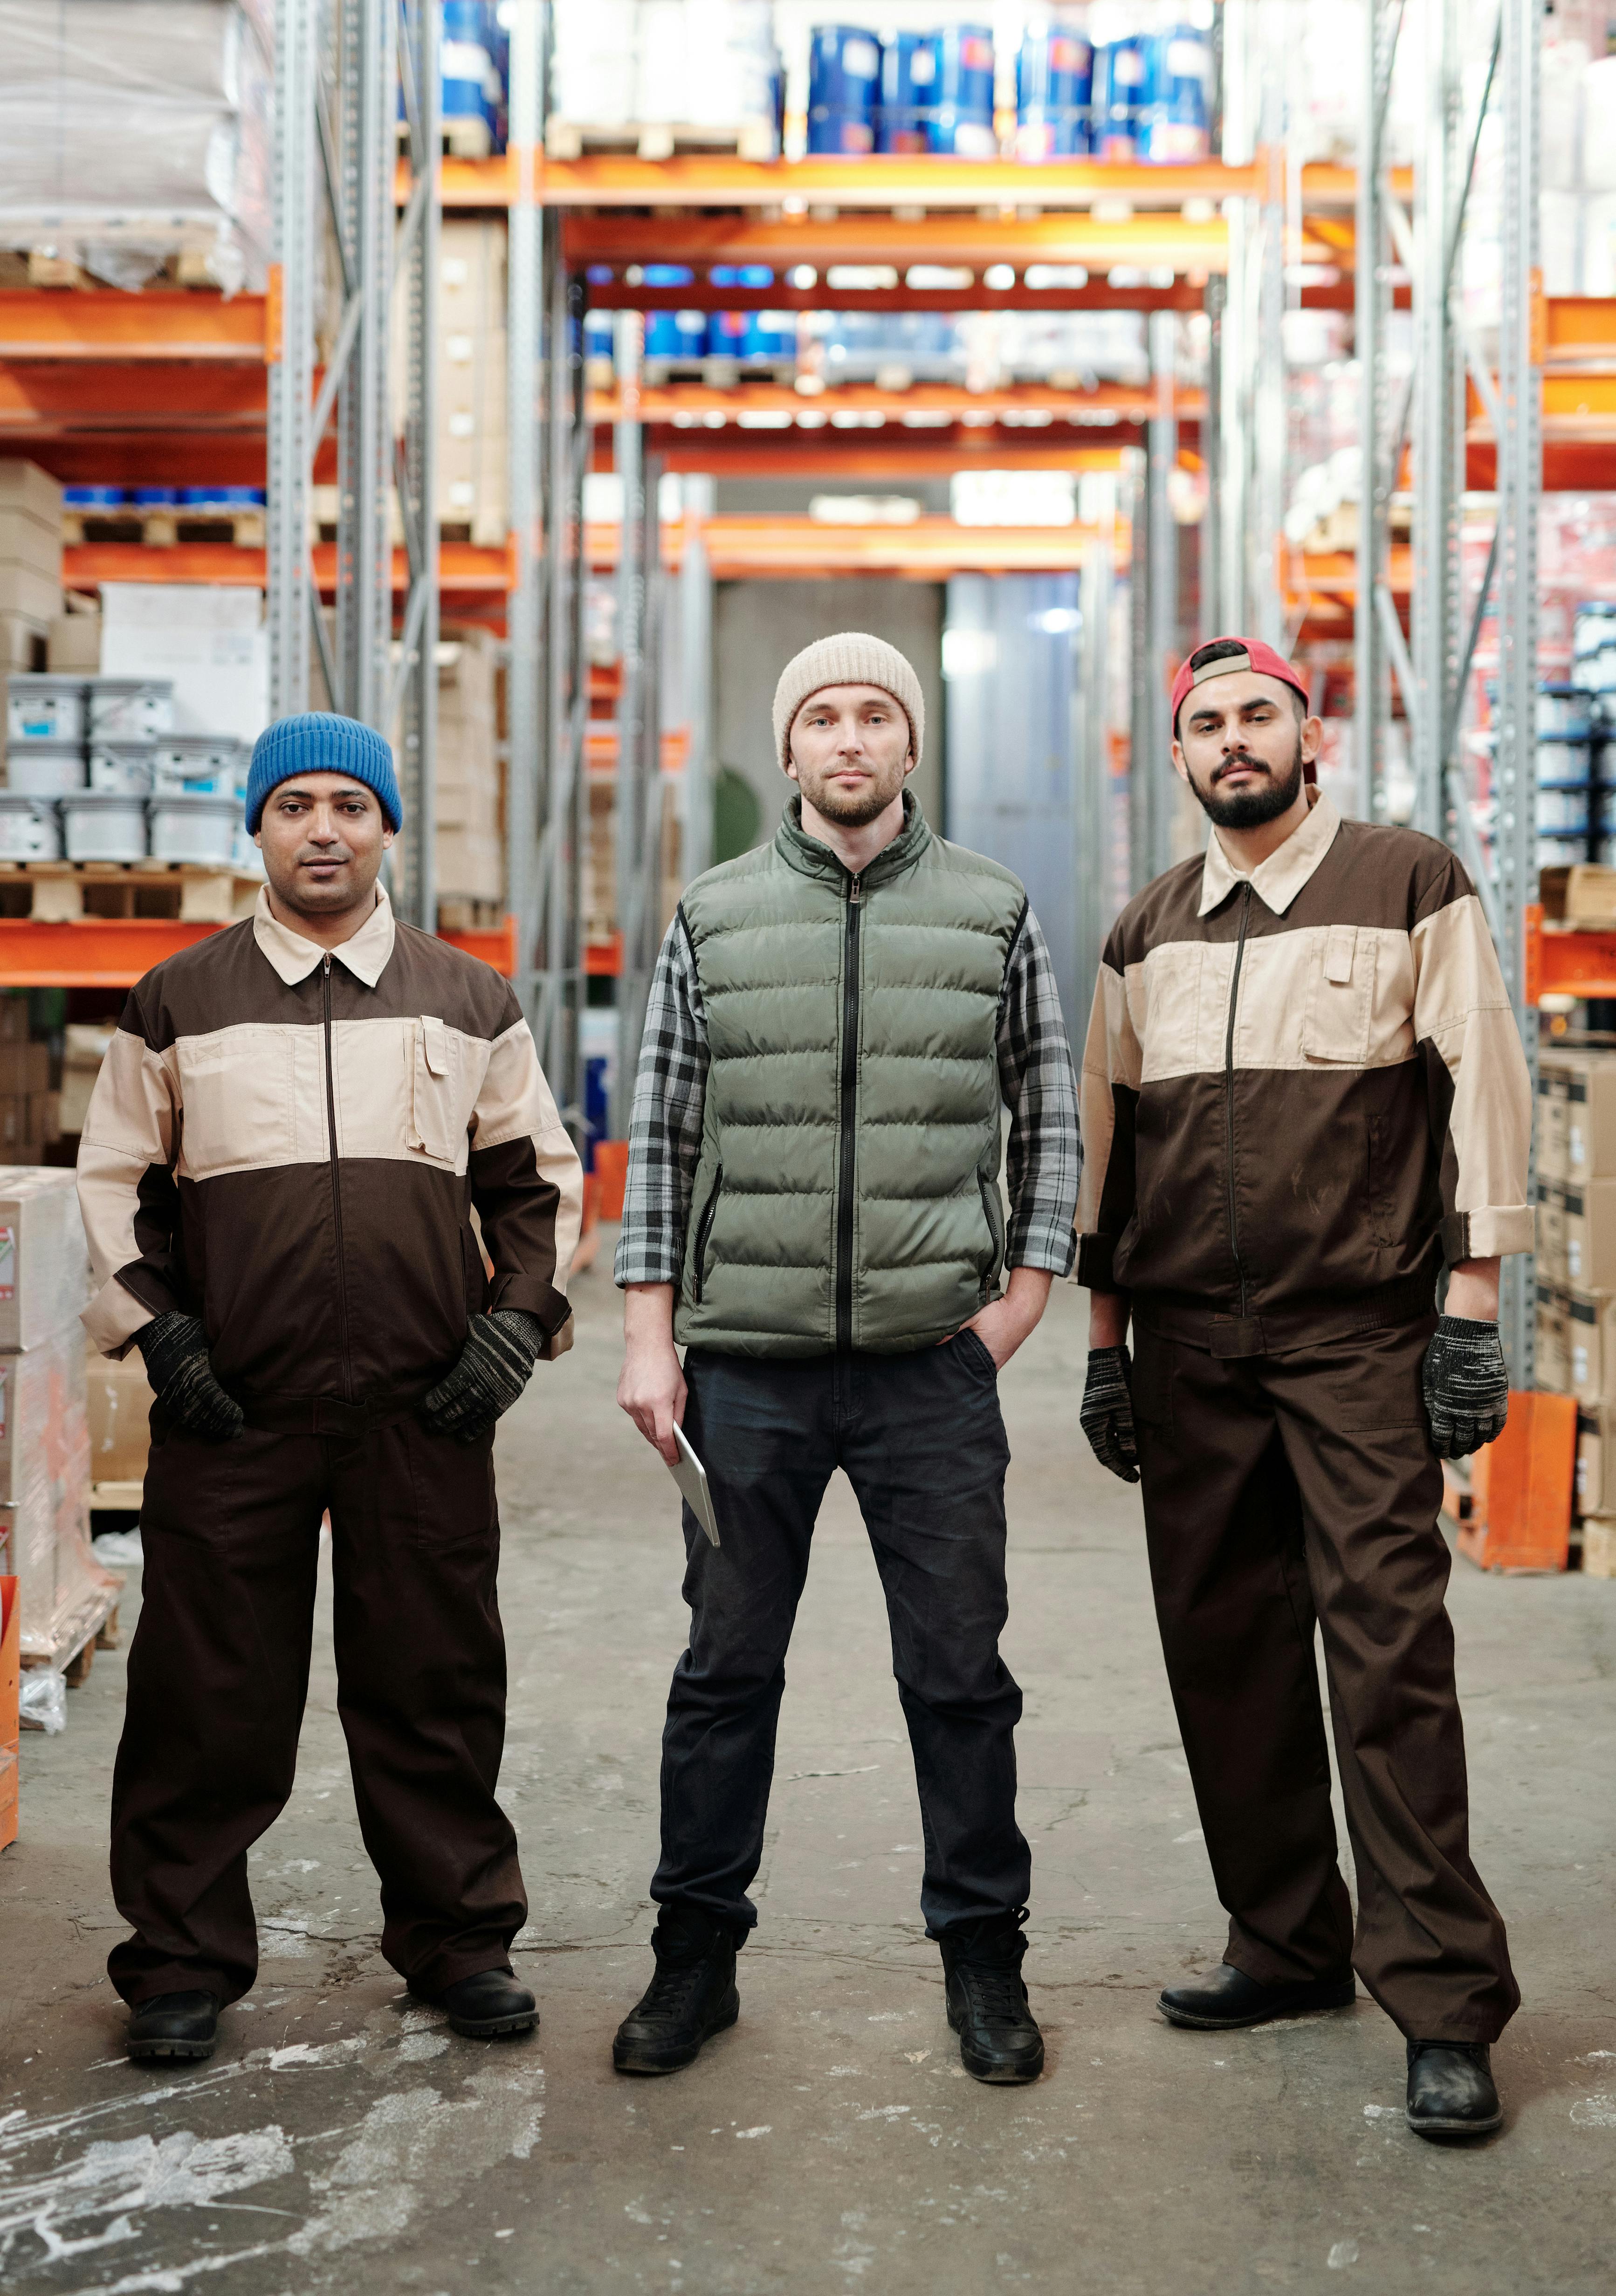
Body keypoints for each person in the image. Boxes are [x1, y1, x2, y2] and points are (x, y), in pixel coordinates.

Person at [1076, 635, 1530, 2143]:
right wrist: (1101, 1347)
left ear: (1308, 729)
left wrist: (1470, 1309)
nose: (1231, 741)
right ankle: (1283, 1947)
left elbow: (1482, 1080)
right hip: (1190, 1346)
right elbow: (1106, 1146)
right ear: (1183, 755)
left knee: (1387, 1658)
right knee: (1224, 1650)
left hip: (1359, 1339)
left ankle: (1445, 2003)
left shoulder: (1409, 880)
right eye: (1203, 724)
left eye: (1255, 712)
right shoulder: (1147, 927)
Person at [76, 711, 582, 2063]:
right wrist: (161, 1338)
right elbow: (113, 1185)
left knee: (432, 1683)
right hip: (231, 1408)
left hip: (425, 1410)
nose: (322, 830)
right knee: (204, 1692)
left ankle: (458, 1943)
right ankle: (180, 1962)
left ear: (385, 831)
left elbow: (539, 1186)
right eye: (294, 805)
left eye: (350, 809)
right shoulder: (179, 1000)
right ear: (256, 826)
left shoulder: (468, 1000)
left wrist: (515, 1329)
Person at [613, 632, 1081, 2087]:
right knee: (723, 1674)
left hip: (927, 1369)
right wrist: (648, 1335)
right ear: (790, 748)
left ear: (908, 744)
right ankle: (694, 1961)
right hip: (741, 1370)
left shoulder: (991, 909)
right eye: (821, 715)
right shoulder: (713, 914)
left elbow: (1048, 1110)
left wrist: (1018, 1301)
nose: (849, 738)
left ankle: (984, 1963)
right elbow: (662, 1131)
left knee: (958, 1678)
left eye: (876, 713)